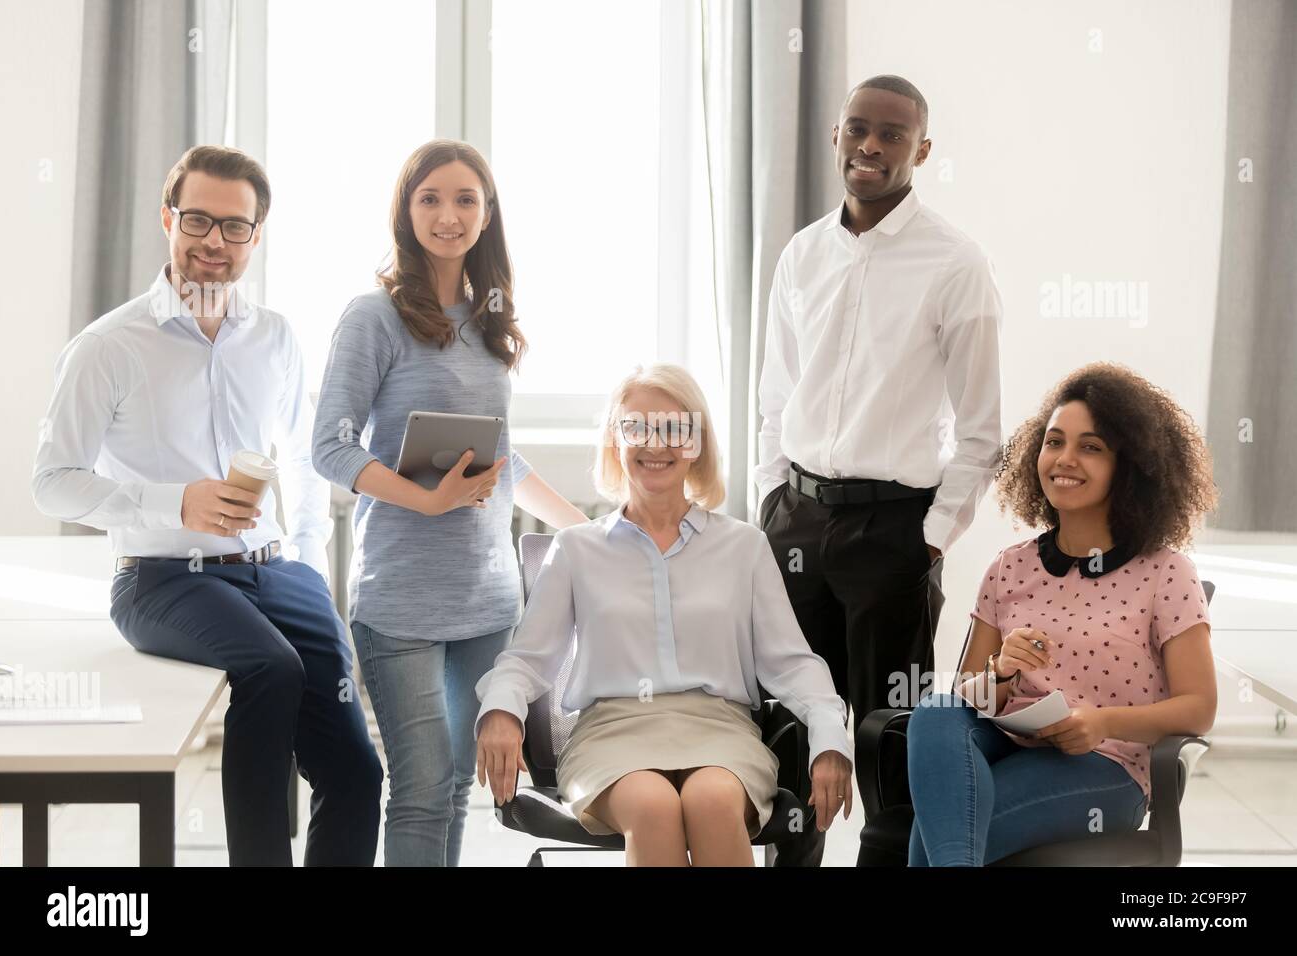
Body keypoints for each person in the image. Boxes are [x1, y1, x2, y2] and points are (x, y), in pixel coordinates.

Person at [32, 145, 382, 866]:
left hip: (275, 571)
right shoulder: (108, 347)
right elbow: (52, 480)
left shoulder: (276, 337)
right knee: (272, 671)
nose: (214, 242)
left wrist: (309, 565)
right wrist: (173, 503)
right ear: (168, 218)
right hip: (162, 580)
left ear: (258, 235)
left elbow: (304, 461)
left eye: (235, 227)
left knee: (357, 770)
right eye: (197, 220)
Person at [311, 140, 587, 867]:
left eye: (466, 199)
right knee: (423, 785)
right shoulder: (371, 318)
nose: (448, 214)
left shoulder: (490, 319)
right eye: (430, 197)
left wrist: (583, 527)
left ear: (488, 214)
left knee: (460, 783)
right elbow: (332, 448)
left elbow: (499, 455)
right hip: (399, 598)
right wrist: (425, 503)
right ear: (406, 211)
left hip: (488, 600)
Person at [755, 74, 1004, 865]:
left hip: (892, 527)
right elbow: (774, 394)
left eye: (892, 134)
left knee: (882, 730)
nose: (870, 146)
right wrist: (769, 499)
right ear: (835, 135)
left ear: (921, 150)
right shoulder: (803, 253)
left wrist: (931, 538)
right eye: (858, 128)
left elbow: (982, 430)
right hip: (795, 519)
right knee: (792, 719)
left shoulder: (956, 263)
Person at [475, 364, 853, 866]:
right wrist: (500, 711)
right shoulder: (575, 549)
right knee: (653, 805)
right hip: (612, 735)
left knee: (712, 801)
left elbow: (793, 664)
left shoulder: (745, 546)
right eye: (637, 427)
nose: (657, 444)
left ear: (697, 443)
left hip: (721, 732)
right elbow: (526, 660)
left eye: (675, 428)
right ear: (615, 441)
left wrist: (830, 737)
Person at [907, 363, 1219, 865]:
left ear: (1129, 466)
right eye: (1054, 442)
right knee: (936, 714)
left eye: (1090, 447)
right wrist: (1001, 671)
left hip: (1105, 765)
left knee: (937, 836)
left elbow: (1199, 708)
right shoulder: (1010, 568)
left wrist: (1100, 722)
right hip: (1009, 742)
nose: (1064, 459)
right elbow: (972, 698)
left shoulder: (1166, 573)